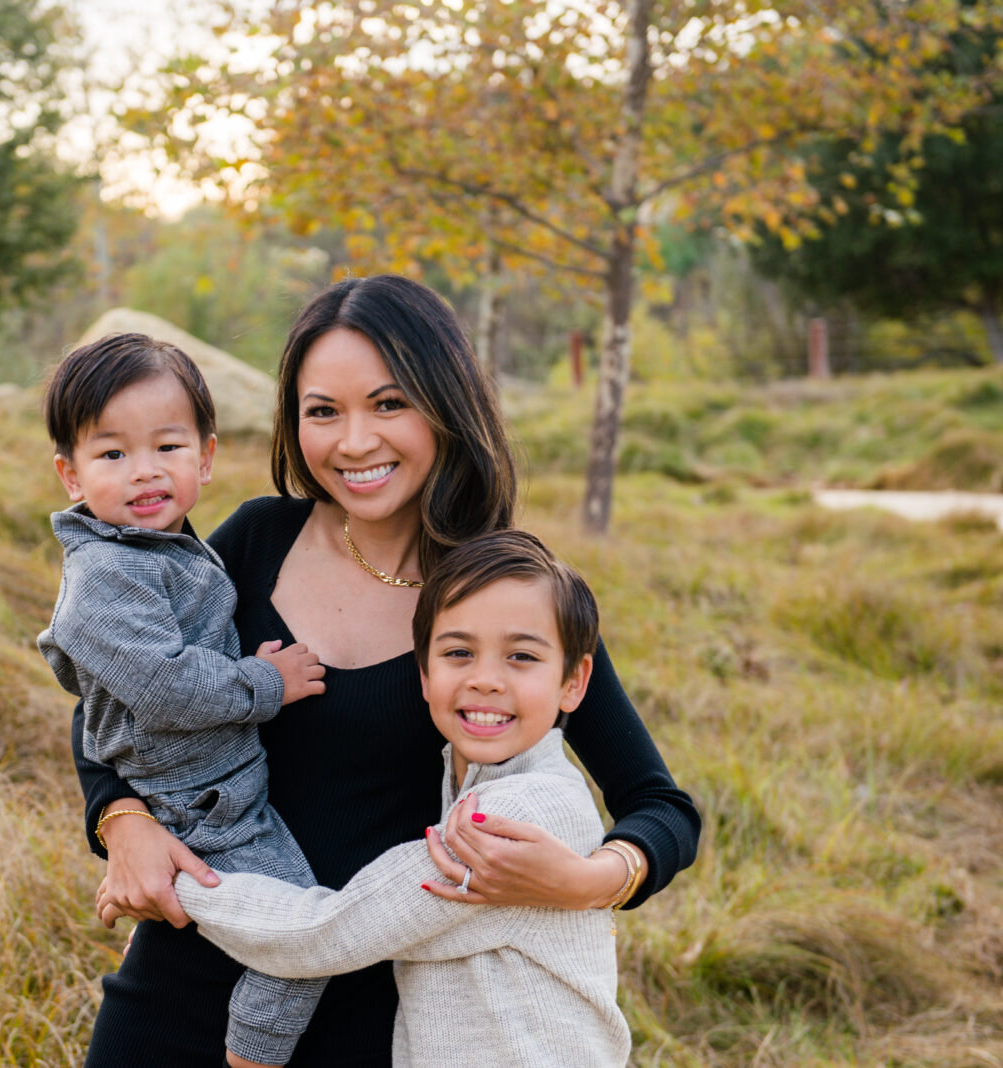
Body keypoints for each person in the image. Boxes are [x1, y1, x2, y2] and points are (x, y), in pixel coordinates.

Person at [73, 274, 701, 1067]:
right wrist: (120, 822)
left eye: (389, 404)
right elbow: (117, 691)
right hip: (187, 971)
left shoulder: (505, 594)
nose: (355, 442)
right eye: (323, 412)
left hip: (367, 1009)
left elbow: (661, 806)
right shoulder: (254, 541)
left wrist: (589, 880)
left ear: (445, 403)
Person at [177, 529, 633, 1067]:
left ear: (575, 682)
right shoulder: (471, 785)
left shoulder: (509, 818)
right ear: (424, 672)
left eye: (522, 657)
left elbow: (324, 934)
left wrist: (178, 885)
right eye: (459, 652)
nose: (486, 680)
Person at [35, 333, 331, 1067]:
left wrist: (240, 661)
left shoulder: (166, 551)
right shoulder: (108, 572)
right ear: (70, 475)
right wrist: (267, 683)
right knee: (303, 943)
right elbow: (160, 687)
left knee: (299, 940)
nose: (144, 473)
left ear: (205, 456)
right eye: (112, 455)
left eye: (166, 448)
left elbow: (170, 660)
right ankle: (250, 1058)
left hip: (222, 801)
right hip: (204, 811)